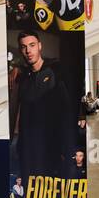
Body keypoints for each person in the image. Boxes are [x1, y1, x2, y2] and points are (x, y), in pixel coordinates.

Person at [13, 32, 72, 179]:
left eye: (32, 45)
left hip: (52, 145)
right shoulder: (23, 77)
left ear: (40, 46)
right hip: (29, 146)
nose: (28, 51)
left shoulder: (56, 70)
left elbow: (68, 106)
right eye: (24, 47)